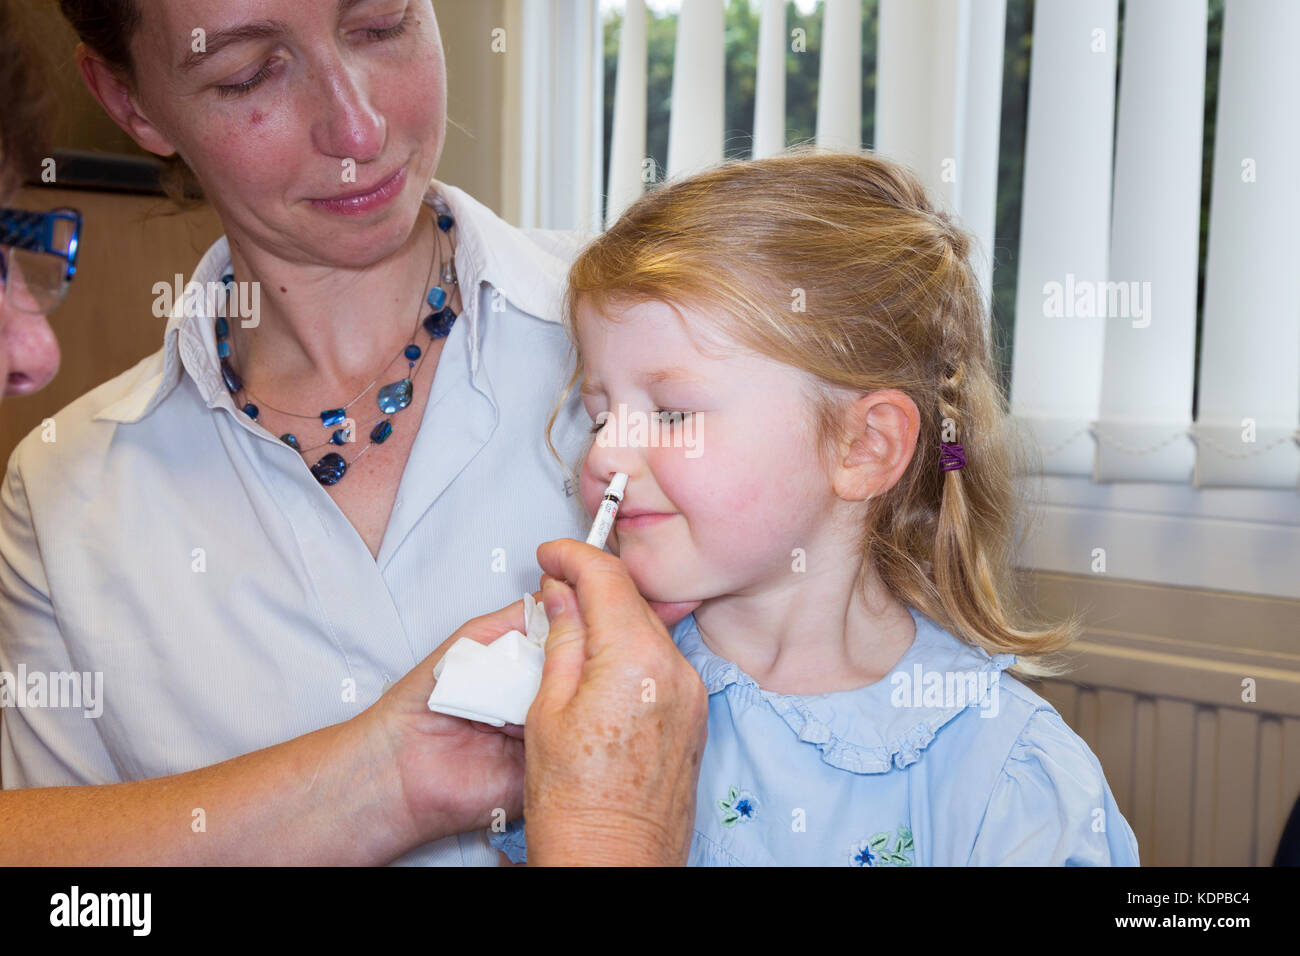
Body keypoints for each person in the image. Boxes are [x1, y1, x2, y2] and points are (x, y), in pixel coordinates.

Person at [0, 0, 706, 866]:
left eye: (381, 24)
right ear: (129, 101)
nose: (358, 127)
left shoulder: (698, 346)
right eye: (248, 73)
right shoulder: (61, 489)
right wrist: (378, 780)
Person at [490, 150, 1141, 865]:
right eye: (599, 413)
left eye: (671, 414)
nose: (606, 456)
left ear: (863, 447)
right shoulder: (601, 704)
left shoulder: (1007, 777)